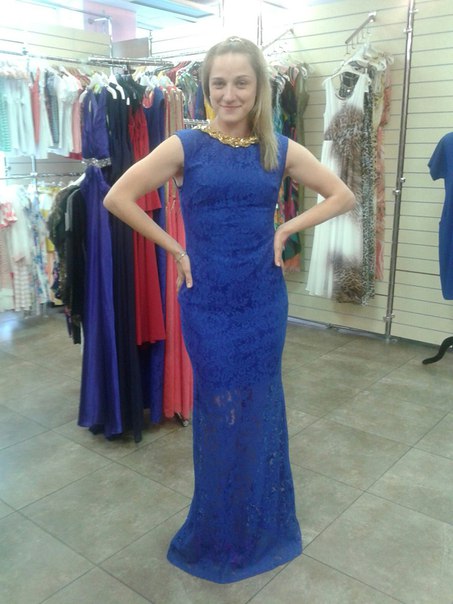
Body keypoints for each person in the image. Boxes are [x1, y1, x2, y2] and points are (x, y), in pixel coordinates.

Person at [103, 36, 356, 584]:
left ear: (260, 87)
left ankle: (261, 524)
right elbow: (117, 197)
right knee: (219, 413)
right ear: (206, 88)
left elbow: (342, 195)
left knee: (260, 408)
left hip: (263, 301)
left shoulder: (278, 149)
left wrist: (287, 228)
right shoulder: (185, 145)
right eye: (219, 83)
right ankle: (219, 529)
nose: (230, 93)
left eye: (242, 82)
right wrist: (174, 249)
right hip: (208, 302)